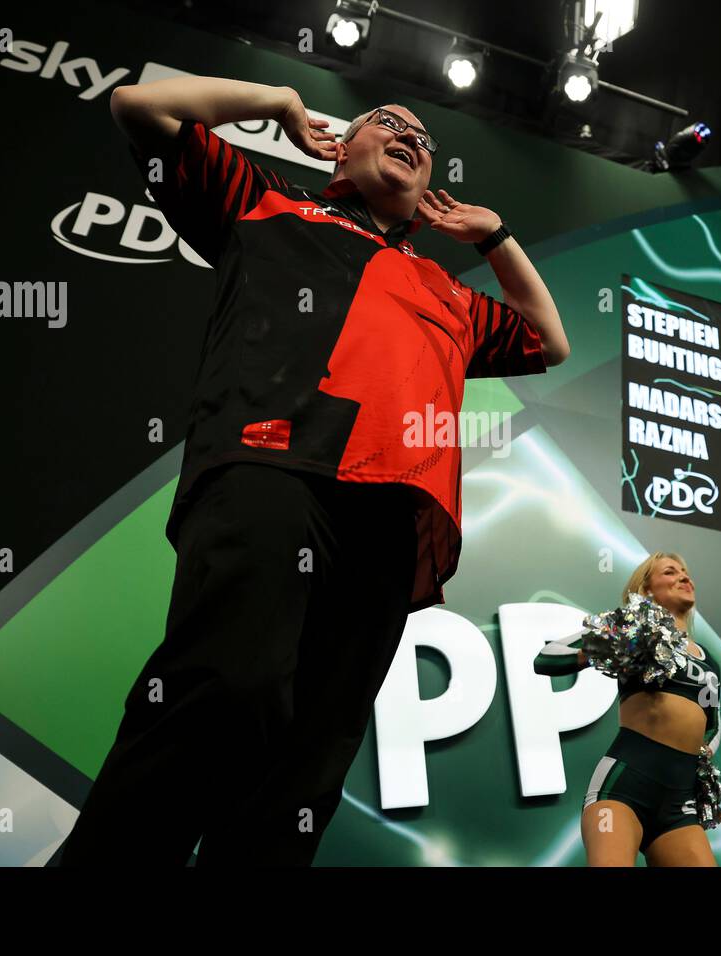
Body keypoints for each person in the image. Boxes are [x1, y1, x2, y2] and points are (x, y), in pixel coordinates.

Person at [59, 78, 569, 866]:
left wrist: (494, 237)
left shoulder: (448, 292)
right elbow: (138, 106)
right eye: (387, 123)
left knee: (310, 762)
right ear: (338, 145)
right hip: (272, 469)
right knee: (229, 687)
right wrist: (278, 99)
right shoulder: (264, 203)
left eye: (423, 140)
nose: (409, 135)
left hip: (393, 523)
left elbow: (548, 340)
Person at [534, 552, 721, 866]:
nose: (684, 577)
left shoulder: (709, 659)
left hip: (679, 802)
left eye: (686, 572)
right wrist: (615, 644)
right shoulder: (632, 627)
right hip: (625, 785)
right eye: (670, 572)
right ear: (646, 590)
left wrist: (702, 751)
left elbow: (714, 724)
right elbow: (547, 658)